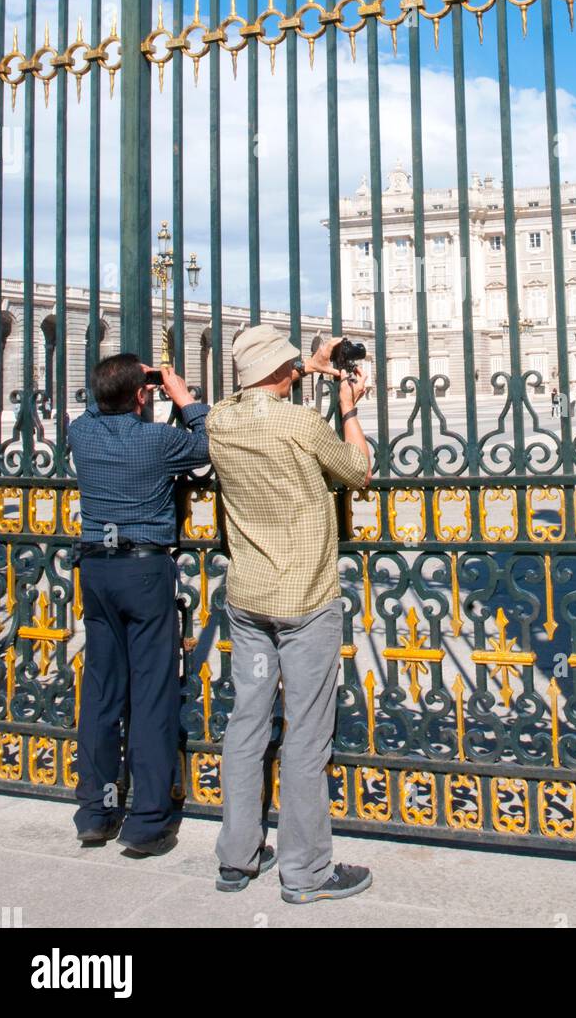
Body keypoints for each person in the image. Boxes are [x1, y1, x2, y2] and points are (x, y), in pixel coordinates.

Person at [207, 326, 373, 903]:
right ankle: (306, 872)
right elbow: (357, 470)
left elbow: (262, 386)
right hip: (304, 598)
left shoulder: (219, 422)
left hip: (247, 598)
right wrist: (348, 406)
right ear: (283, 372)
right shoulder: (303, 424)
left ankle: (238, 857)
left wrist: (309, 365)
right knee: (305, 734)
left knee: (246, 723)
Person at [68, 355, 209, 853]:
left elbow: (92, 412)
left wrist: (123, 385)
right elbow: (208, 445)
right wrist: (183, 396)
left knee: (103, 690)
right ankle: (146, 820)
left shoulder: (80, 435)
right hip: (144, 571)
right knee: (151, 693)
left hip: (97, 570)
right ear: (143, 395)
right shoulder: (157, 441)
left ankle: (96, 811)